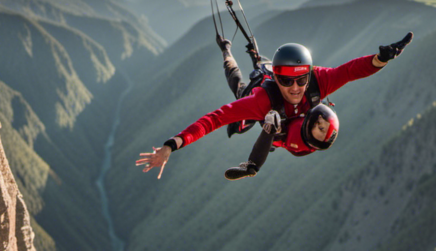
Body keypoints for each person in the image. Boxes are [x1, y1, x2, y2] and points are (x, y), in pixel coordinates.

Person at [136, 32, 413, 180]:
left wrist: (380, 59)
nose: (295, 88)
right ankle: (226, 51)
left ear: (309, 73)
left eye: (301, 80)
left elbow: (350, 71)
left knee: (251, 83)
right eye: (285, 81)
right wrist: (172, 144)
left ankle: (252, 57)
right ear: (276, 78)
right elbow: (215, 118)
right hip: (266, 108)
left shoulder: (318, 81)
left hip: (281, 132)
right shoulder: (262, 100)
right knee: (238, 84)